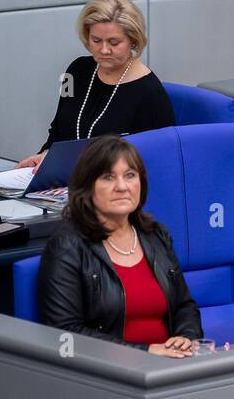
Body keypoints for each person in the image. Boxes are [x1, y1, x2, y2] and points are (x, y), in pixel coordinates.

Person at [38, 135, 202, 356]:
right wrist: (146, 351)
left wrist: (186, 338)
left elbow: (185, 306)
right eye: (108, 177)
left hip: (168, 366)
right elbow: (66, 333)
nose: (122, 187)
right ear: (87, 187)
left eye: (130, 175)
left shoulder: (156, 235)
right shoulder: (67, 246)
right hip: (110, 375)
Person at [17, 0, 174, 169]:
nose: (104, 50)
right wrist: (46, 155)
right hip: (65, 181)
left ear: (133, 41)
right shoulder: (76, 71)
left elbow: (155, 162)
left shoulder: (150, 93)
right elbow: (58, 132)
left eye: (114, 42)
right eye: (96, 40)